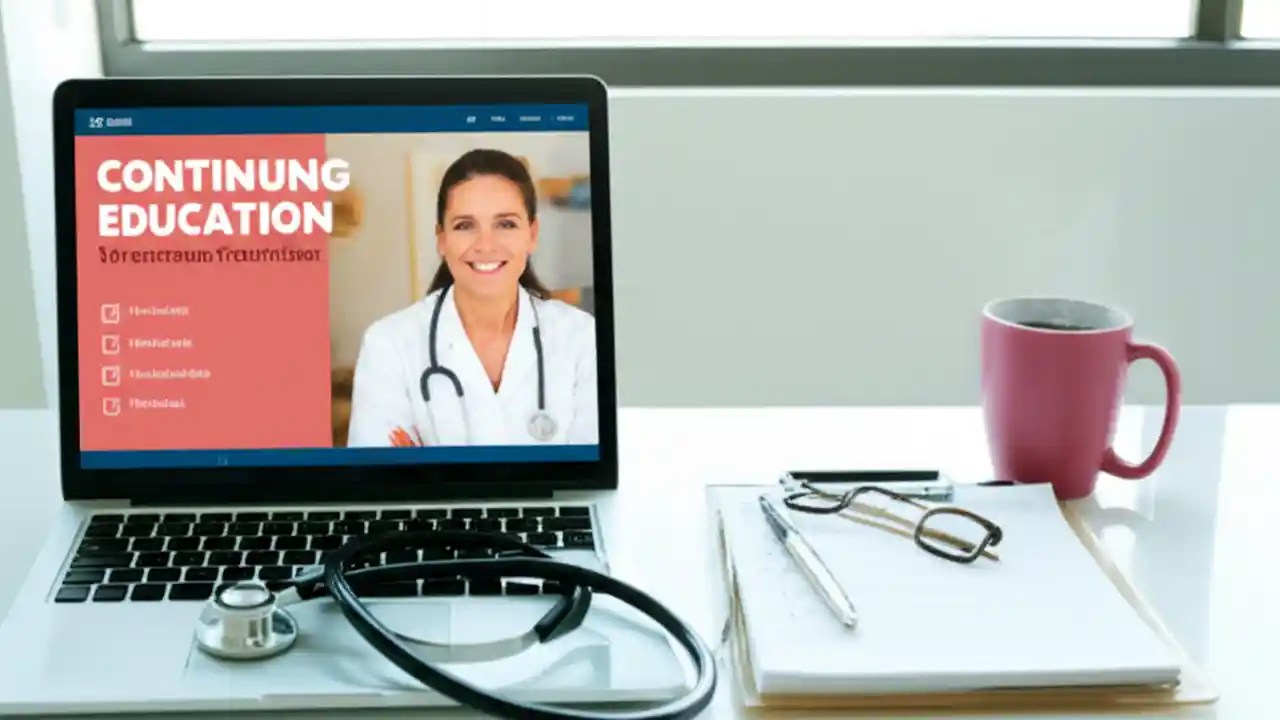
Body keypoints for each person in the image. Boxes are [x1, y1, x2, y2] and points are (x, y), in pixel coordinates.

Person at [346, 148, 597, 448]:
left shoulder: (582, 338)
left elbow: (588, 480)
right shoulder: (388, 345)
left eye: (505, 224)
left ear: (532, 234)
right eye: (465, 225)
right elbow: (383, 486)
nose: (485, 245)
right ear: (442, 239)